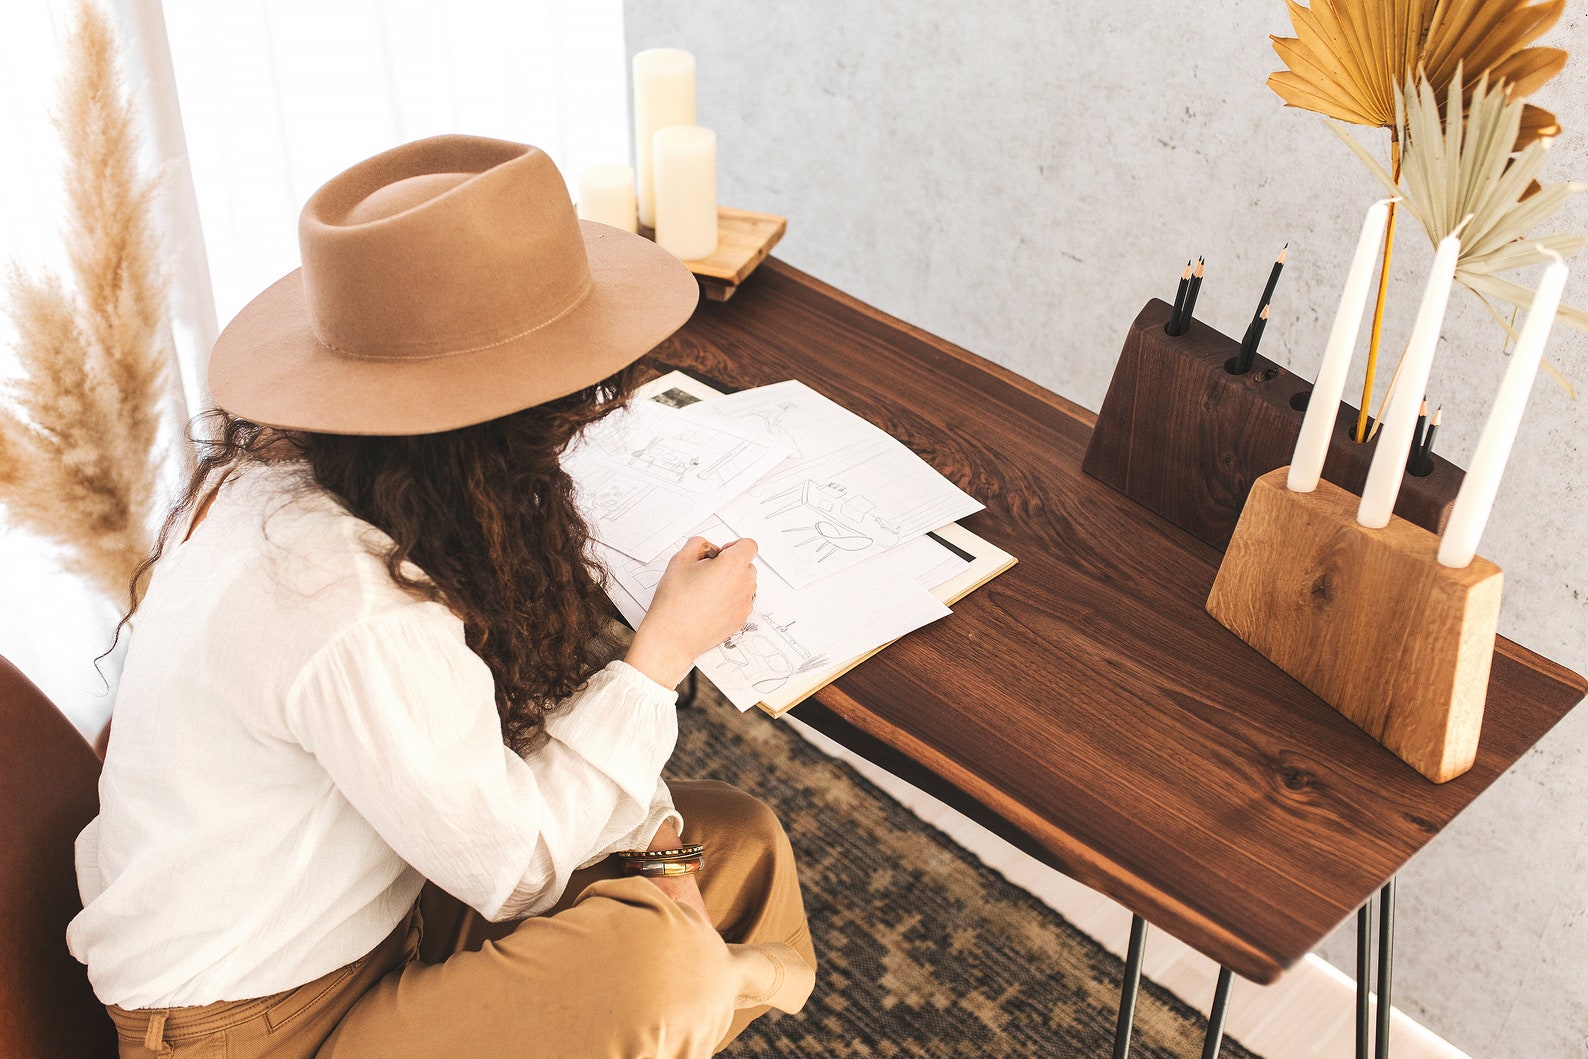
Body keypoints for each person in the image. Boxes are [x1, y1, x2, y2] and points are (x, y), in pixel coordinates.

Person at [66, 134, 816, 1059]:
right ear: (484, 436)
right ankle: (719, 994)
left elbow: (499, 777)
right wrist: (659, 658)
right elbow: (516, 866)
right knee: (666, 971)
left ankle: (703, 997)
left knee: (728, 844)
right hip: (252, 1027)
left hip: (388, 903)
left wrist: (658, 837)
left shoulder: (335, 481)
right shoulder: (344, 598)